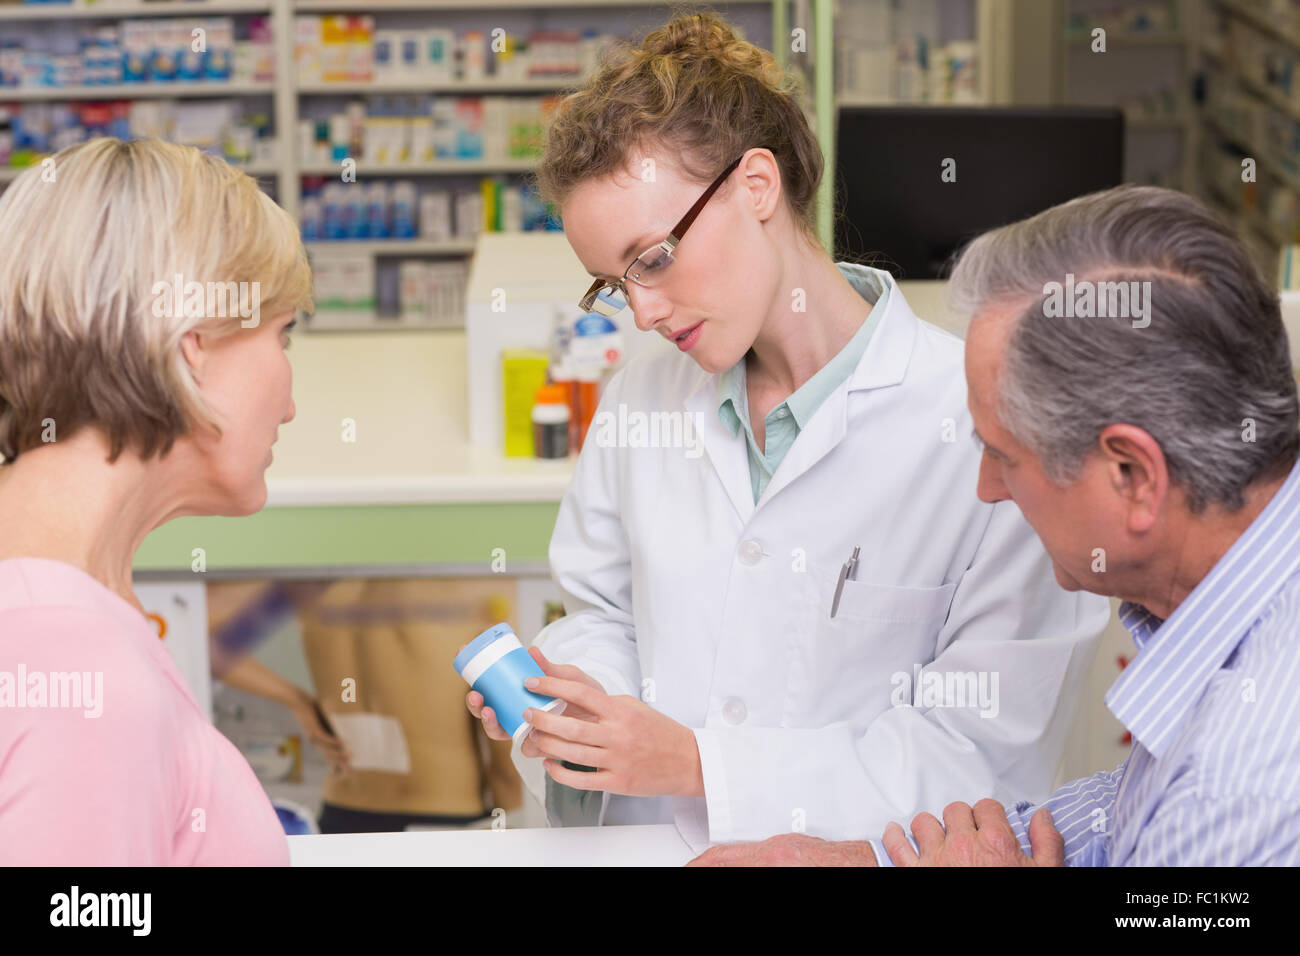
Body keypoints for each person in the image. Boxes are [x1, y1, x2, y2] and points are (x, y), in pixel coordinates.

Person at [465, 11, 1109, 849]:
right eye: (612, 284)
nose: (645, 311)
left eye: (652, 258)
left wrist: (697, 764)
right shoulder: (642, 398)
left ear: (757, 186)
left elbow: (979, 755)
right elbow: (602, 610)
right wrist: (581, 717)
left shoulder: (980, 421)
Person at [692, 185, 1300, 866]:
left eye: (1005, 457)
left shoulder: (1246, 787)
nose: (986, 489)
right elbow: (1122, 813)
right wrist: (863, 862)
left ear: (1133, 477)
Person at [0, 137, 312, 865]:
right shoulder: (77, 672)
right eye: (284, 335)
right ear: (189, 345)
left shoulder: (59, 609)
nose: (291, 403)